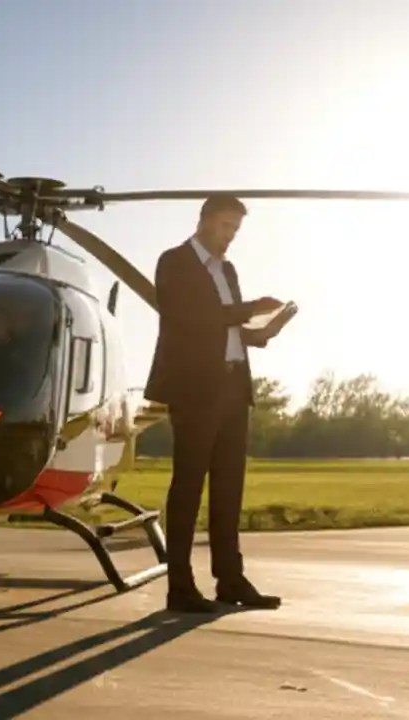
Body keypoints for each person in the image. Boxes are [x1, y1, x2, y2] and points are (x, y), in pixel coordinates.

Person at [144, 193, 295, 613]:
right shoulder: (173, 262)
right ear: (206, 221)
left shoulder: (228, 270)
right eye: (227, 227)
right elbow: (191, 319)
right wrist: (248, 309)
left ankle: (230, 579)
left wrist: (261, 332)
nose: (231, 237)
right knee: (188, 486)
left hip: (233, 388)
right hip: (194, 390)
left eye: (236, 230)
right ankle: (180, 587)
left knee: (229, 489)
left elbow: (227, 326)